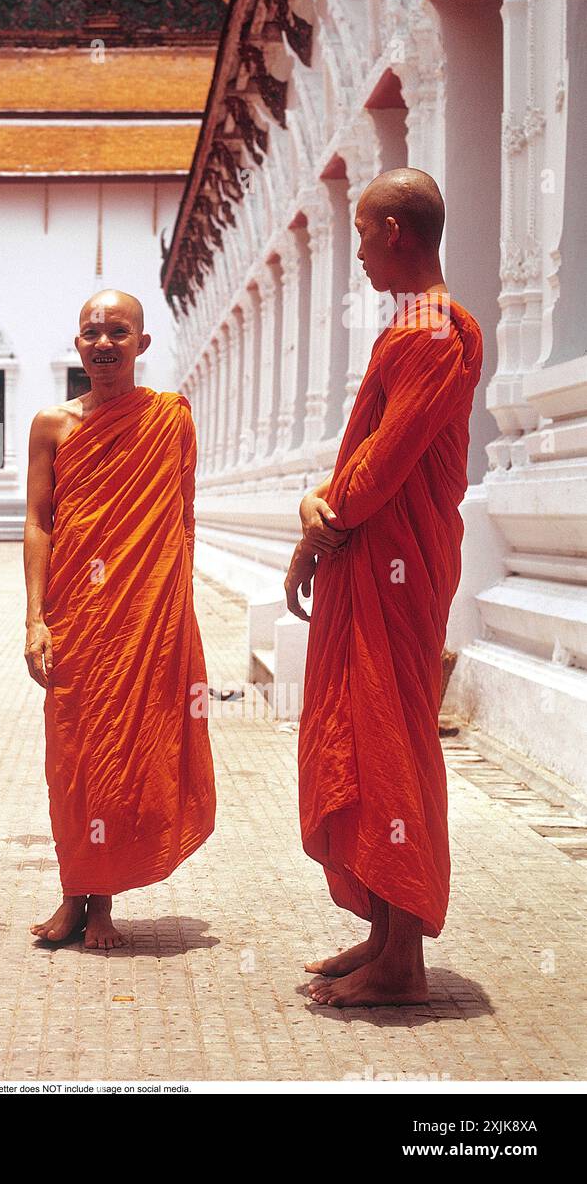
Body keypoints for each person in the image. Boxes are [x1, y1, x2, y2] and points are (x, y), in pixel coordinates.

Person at [285, 168, 483, 1007]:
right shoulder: (412, 328)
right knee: (363, 735)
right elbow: (369, 460)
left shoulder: (432, 333)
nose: (359, 252)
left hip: (394, 564)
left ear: (396, 231)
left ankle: (403, 959)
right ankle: (380, 928)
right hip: (373, 554)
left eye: (364, 233)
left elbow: (381, 468)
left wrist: (314, 523)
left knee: (391, 737)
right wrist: (317, 507)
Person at [23, 290, 215, 949]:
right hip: (75, 614)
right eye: (92, 333)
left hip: (142, 618)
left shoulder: (169, 419)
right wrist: (34, 619)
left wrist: (175, 609)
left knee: (126, 754)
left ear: (142, 344)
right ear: (77, 344)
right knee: (72, 756)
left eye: (118, 332)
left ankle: (101, 902)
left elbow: (182, 519)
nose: (103, 344)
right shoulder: (51, 425)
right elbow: (38, 522)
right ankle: (73, 890)